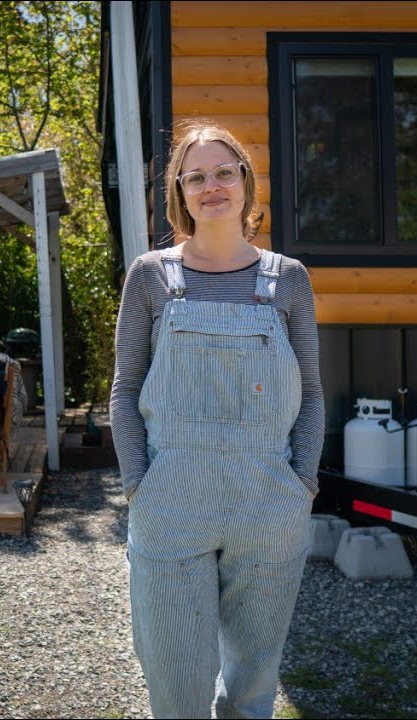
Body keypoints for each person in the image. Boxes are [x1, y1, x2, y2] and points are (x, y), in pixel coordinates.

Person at [110, 119, 324, 719]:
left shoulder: (288, 279)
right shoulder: (151, 276)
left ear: (245, 182)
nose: (212, 186)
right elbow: (125, 389)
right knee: (176, 676)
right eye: (195, 176)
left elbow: (310, 393)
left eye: (223, 172)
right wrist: (139, 486)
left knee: (255, 680)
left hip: (269, 496)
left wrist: (300, 483)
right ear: (180, 192)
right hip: (172, 493)